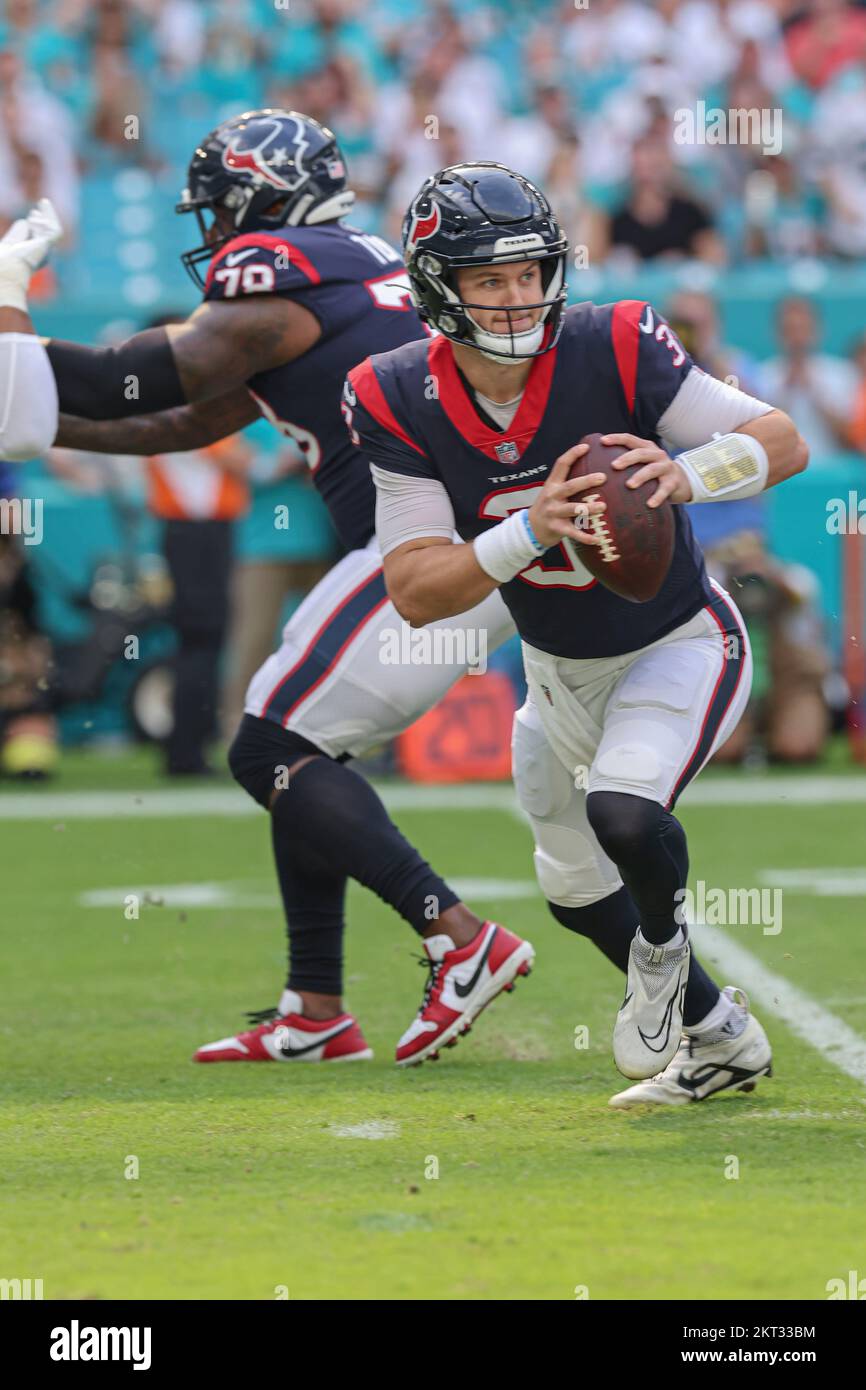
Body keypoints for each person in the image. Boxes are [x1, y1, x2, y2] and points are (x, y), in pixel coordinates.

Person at [45, 110, 531, 1067]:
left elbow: (120, 384)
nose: (214, 229)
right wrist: (37, 428)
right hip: (464, 542)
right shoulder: (347, 277)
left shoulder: (280, 278)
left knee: (266, 744)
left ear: (263, 198)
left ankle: (459, 935)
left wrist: (21, 369)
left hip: (432, 546)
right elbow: (179, 423)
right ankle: (316, 1008)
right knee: (305, 750)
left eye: (221, 206)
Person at [347, 162, 808, 1107]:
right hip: (557, 671)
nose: (517, 299)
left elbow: (783, 438)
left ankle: (663, 951)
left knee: (626, 814)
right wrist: (529, 526)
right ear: (440, 287)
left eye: (528, 273)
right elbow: (417, 591)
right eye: (488, 279)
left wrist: (692, 474)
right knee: (569, 888)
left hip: (677, 638)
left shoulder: (618, 343)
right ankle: (720, 1038)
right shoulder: (393, 391)